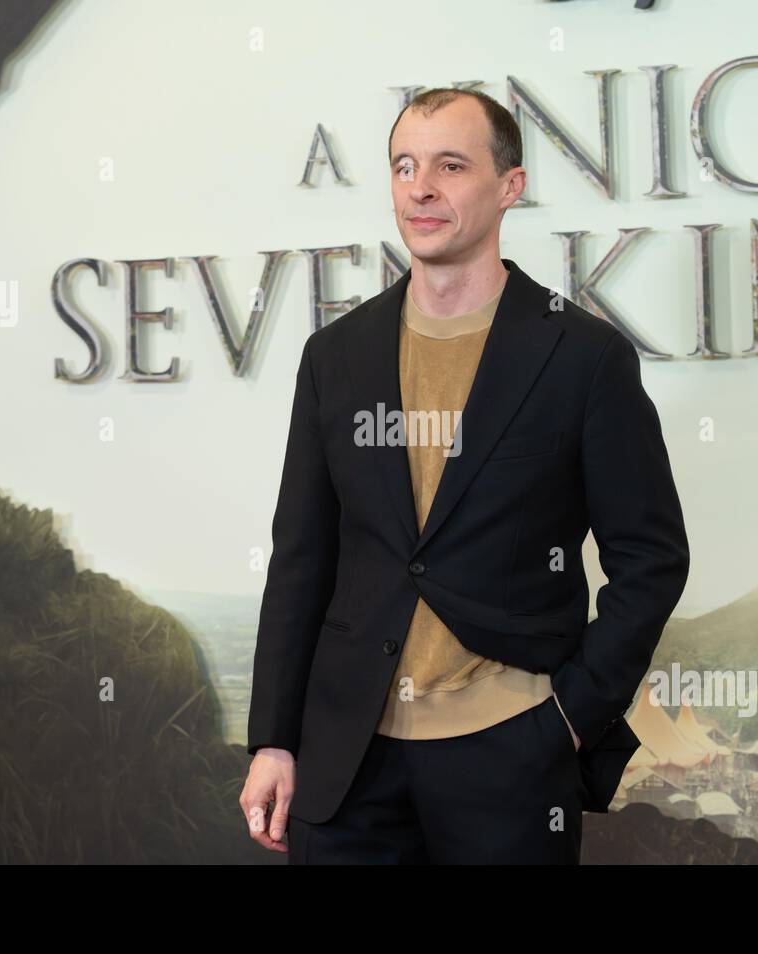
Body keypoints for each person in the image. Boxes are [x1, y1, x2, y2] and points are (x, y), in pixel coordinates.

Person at [238, 87, 689, 864]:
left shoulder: (582, 357)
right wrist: (275, 739)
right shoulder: (335, 358)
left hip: (509, 761)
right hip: (348, 765)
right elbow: (302, 559)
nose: (421, 187)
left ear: (509, 186)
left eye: (451, 165)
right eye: (405, 167)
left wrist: (569, 719)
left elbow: (651, 559)